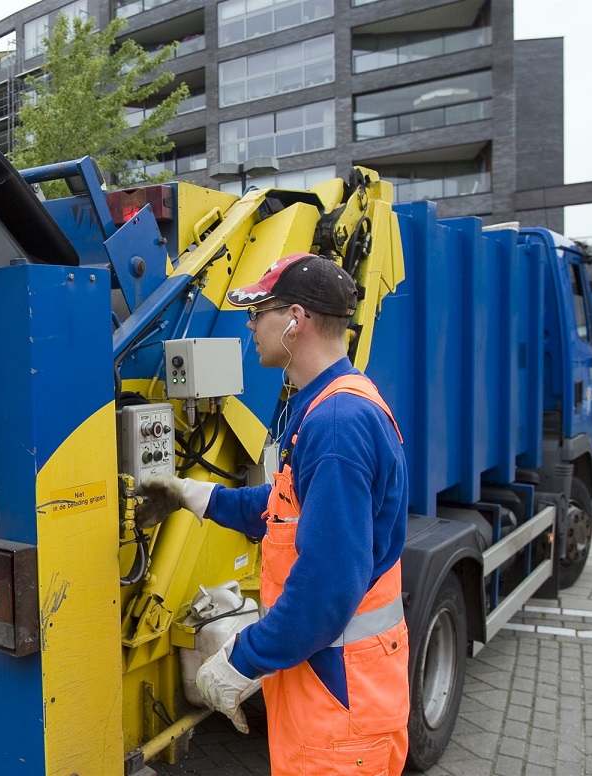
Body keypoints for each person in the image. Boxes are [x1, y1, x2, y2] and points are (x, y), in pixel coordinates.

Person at [136, 253, 410, 775]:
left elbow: (326, 587)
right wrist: (193, 495)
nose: (249, 325)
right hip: (333, 693)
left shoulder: (336, 423)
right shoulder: (333, 405)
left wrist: (239, 662)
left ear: (295, 320)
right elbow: (284, 510)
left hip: (338, 710)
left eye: (258, 312)